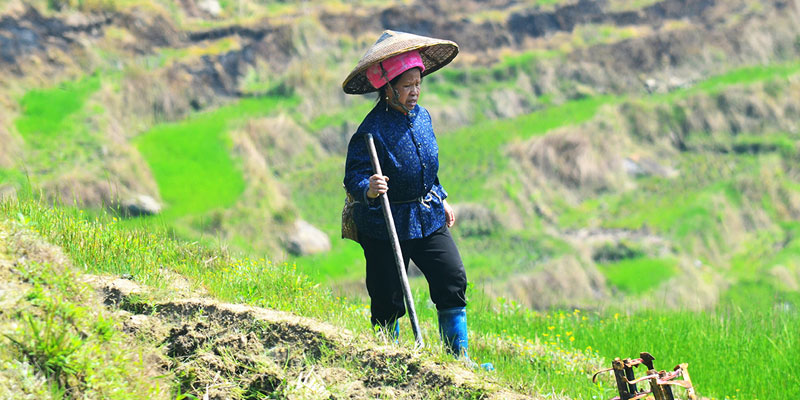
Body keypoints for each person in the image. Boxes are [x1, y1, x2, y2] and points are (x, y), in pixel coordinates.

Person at [341, 30, 491, 370]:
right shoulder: (370, 131)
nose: (414, 92)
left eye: (417, 84)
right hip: (386, 223)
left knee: (451, 277)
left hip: (428, 214)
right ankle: (386, 357)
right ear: (388, 88)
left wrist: (441, 197)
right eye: (407, 86)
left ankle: (458, 357)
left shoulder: (423, 117)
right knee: (387, 295)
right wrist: (370, 187)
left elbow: (427, 164)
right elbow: (354, 176)